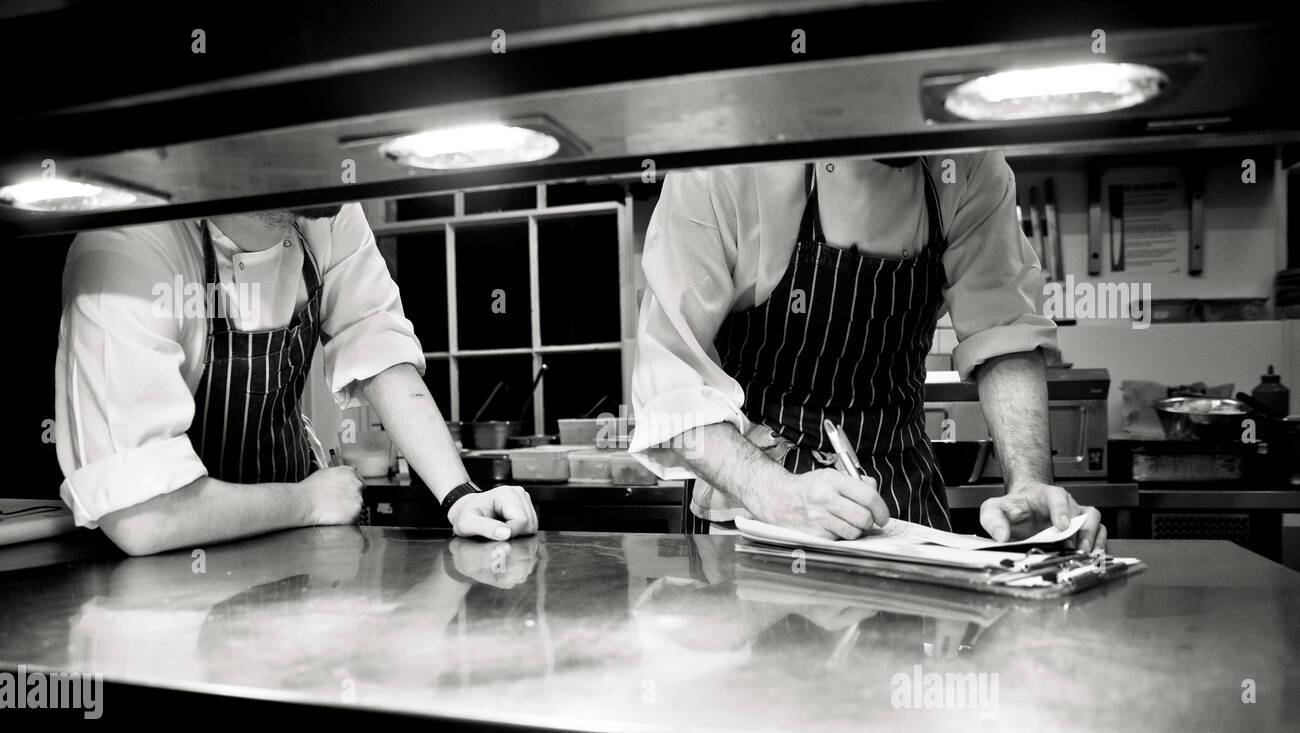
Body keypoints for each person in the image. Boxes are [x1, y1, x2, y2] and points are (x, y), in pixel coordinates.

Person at [629, 154, 1104, 551]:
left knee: (901, 661)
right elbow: (670, 376)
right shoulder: (728, 163)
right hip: (755, 507)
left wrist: (1027, 485)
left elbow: (1005, 332)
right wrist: (773, 492)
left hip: (905, 500)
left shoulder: (970, 164)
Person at [54, 202, 537, 555]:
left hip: (291, 554)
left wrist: (460, 497)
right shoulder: (128, 245)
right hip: (160, 587)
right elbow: (144, 519)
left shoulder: (326, 209)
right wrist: (305, 502)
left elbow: (376, 341)